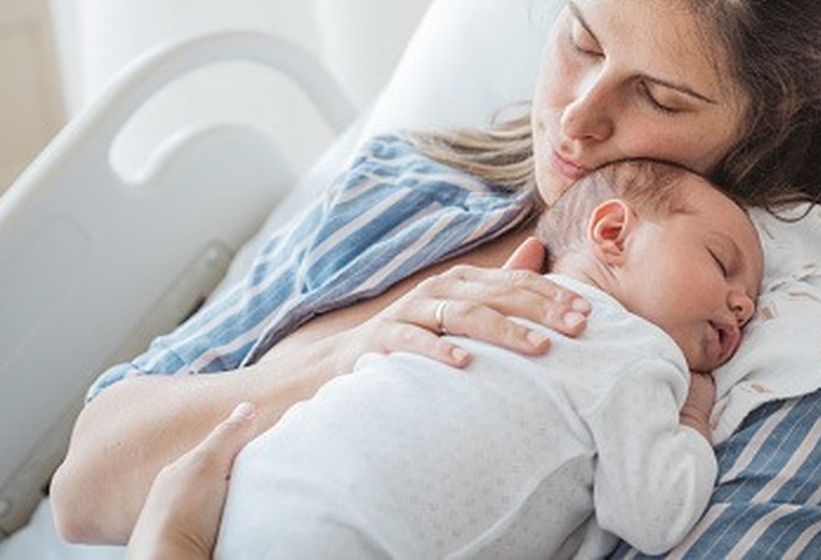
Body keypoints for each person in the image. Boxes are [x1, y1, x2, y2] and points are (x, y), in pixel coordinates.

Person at [51, 0, 821, 556]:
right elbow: (86, 489)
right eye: (579, 41)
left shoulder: (791, 362)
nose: (578, 118)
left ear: (761, 125)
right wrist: (338, 361)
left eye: (659, 97)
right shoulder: (406, 191)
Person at [211, 160, 763, 558]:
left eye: (753, 302)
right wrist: (690, 419)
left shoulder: (484, 302)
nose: (742, 305)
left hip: (258, 489)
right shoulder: (635, 354)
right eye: (721, 262)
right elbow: (657, 515)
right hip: (359, 535)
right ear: (613, 233)